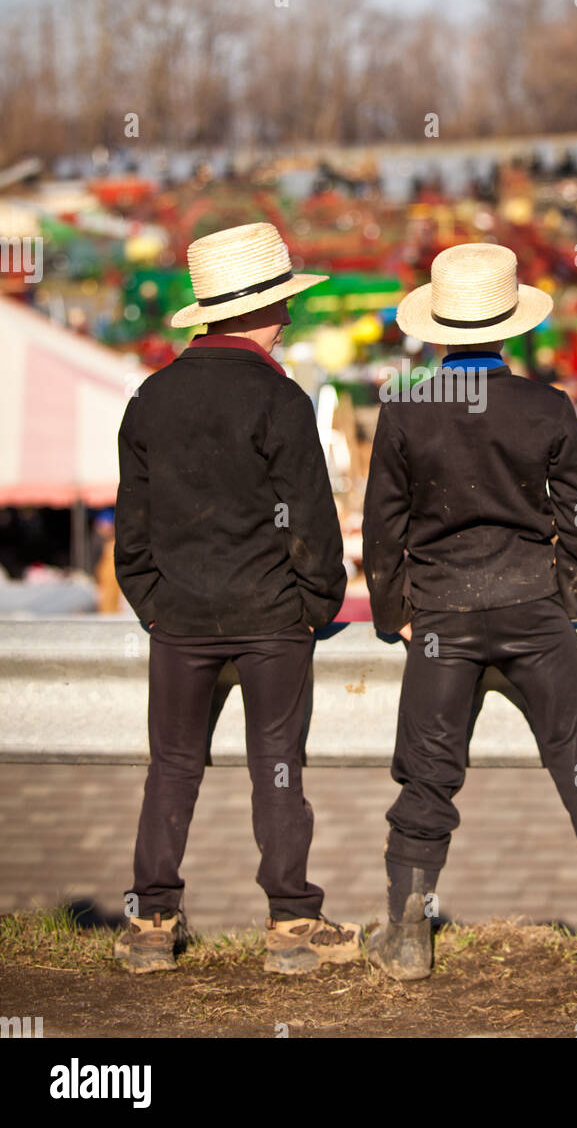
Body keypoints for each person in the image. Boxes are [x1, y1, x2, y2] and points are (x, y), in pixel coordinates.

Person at [362, 242, 577, 981]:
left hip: (441, 617)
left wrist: (394, 611)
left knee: (428, 778)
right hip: (535, 608)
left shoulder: (405, 410)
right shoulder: (547, 407)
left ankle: (408, 936)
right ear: (509, 326)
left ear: (438, 330)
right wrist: (564, 592)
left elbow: (383, 528)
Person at [113, 222, 359, 975]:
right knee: (278, 764)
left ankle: (151, 919)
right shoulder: (279, 399)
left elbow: (133, 533)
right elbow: (312, 523)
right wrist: (313, 608)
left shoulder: (150, 398)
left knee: (172, 766)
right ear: (263, 312)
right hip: (271, 618)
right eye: (283, 305)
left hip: (179, 616)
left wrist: (155, 604)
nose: (289, 317)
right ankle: (291, 922)